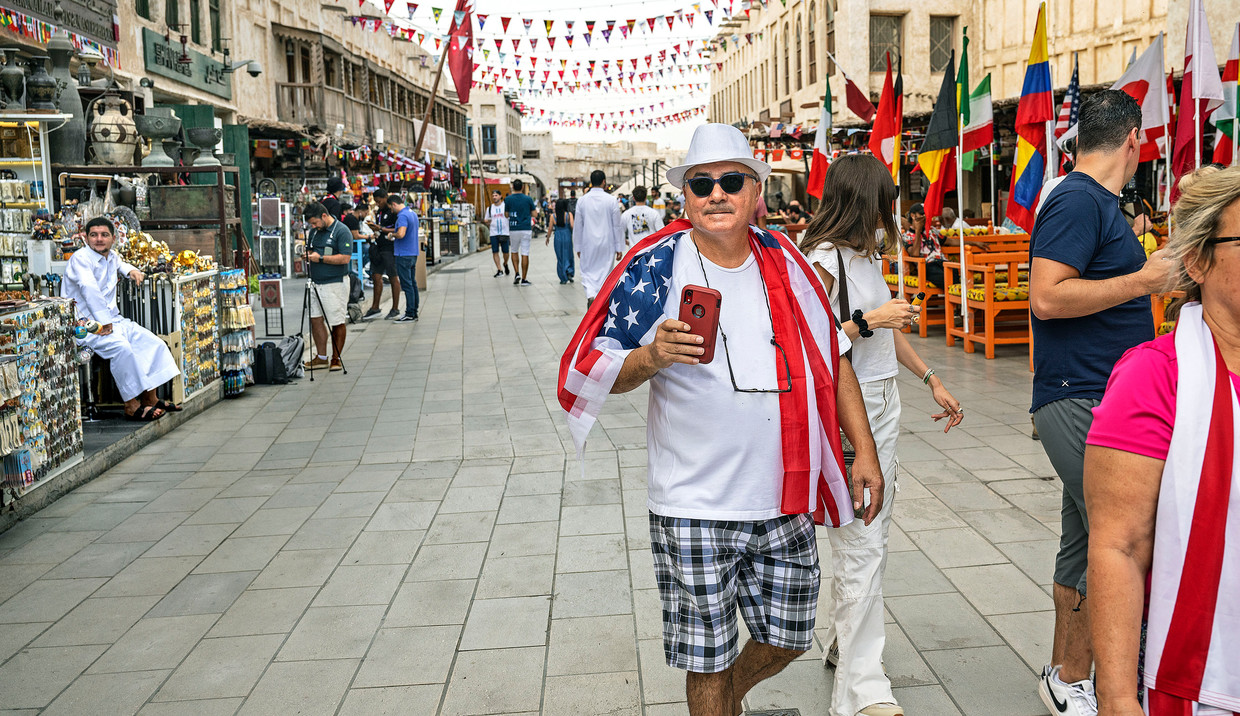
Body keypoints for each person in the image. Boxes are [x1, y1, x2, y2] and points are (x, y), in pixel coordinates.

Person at [557, 123, 883, 716]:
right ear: (685, 195)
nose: (716, 193)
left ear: (755, 189)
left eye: (731, 180)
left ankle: (726, 698)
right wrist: (652, 355)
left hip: (780, 495)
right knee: (703, 657)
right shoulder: (655, 266)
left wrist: (864, 450)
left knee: (788, 635)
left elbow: (832, 357)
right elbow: (597, 365)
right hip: (692, 502)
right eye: (701, 183)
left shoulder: (787, 261)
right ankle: (716, 697)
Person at [1028, 90, 1177, 716]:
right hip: (1081, 396)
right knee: (1124, 539)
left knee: (1083, 542)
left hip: (1097, 396)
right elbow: (1046, 297)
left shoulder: (1097, 201)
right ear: (1132, 140)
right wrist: (1144, 280)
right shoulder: (1077, 198)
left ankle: (1067, 676)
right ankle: (1110, 680)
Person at [799, 155, 964, 716]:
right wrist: (872, 320)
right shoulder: (822, 259)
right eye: (885, 201)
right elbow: (809, 343)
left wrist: (930, 378)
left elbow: (886, 337)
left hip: (884, 399)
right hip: (854, 409)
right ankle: (863, 687)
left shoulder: (863, 256)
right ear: (862, 200)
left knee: (870, 533)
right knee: (862, 536)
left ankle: (844, 641)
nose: (889, 213)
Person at [1086, 167, 1240, 716]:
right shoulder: (1157, 377)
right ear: (1198, 260)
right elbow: (1119, 548)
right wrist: (1119, 699)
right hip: (1202, 679)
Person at [63, 217, 181, 420]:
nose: (99, 239)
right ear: (86, 238)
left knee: (153, 343)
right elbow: (89, 289)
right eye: (94, 235)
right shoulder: (80, 258)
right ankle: (131, 404)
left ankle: (150, 398)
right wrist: (103, 322)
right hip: (87, 325)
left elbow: (119, 262)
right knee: (122, 349)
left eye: (104, 235)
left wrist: (131, 270)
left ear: (113, 238)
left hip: (114, 321)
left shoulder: (111, 256)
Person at [303, 202, 354, 371]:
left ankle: (336, 357)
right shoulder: (314, 233)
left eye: (315, 222)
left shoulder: (342, 231)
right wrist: (308, 256)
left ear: (324, 216)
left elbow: (345, 258)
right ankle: (321, 357)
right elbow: (313, 252)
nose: (313, 226)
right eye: (311, 224)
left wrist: (321, 259)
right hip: (315, 282)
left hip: (335, 283)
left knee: (336, 320)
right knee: (315, 319)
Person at [572, 170, 625, 307]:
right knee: (605, 271)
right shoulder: (611, 200)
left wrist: (577, 246)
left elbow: (578, 226)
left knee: (588, 271)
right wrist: (619, 247)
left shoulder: (582, 201)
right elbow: (617, 226)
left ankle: (591, 294)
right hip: (607, 243)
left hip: (588, 243)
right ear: (604, 182)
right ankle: (602, 299)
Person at [362, 189, 401, 320]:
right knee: (375, 276)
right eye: (376, 202)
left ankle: (395, 308)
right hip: (378, 247)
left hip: (390, 248)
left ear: (385, 198)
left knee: (393, 277)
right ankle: (375, 307)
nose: (378, 204)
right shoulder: (379, 212)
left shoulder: (393, 211)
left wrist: (381, 229)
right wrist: (375, 227)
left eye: (379, 201)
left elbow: (398, 229)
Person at [388, 193, 420, 323]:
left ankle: (410, 313)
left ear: (394, 204)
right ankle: (414, 311)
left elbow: (401, 234)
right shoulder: (412, 213)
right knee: (412, 284)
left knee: (407, 285)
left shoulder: (402, 216)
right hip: (413, 253)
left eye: (391, 208)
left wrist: (392, 235)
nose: (391, 210)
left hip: (403, 254)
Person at [902, 203, 946, 288]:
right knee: (941, 275)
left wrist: (975, 243)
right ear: (913, 216)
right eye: (922, 214)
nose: (925, 216)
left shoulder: (932, 230)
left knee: (954, 271)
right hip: (926, 265)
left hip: (942, 262)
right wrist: (918, 230)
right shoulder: (907, 236)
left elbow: (949, 241)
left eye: (926, 214)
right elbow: (915, 254)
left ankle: (956, 296)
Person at [505, 179, 538, 286]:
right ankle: (524, 279)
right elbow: (534, 214)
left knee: (514, 250)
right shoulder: (528, 199)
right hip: (525, 228)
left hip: (514, 228)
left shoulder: (508, 199)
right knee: (525, 252)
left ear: (513, 187)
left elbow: (506, 215)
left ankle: (517, 273)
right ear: (522, 187)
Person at [485, 190, 512, 278]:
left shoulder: (505, 206)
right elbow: (486, 219)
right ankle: (499, 269)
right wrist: (487, 221)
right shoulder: (489, 208)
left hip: (504, 232)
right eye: (493, 196)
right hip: (494, 232)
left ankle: (505, 263)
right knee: (495, 251)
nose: (494, 197)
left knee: (506, 252)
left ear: (500, 196)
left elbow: (510, 217)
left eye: (496, 195)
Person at [552, 192, 575, 284]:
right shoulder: (569, 215)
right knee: (568, 254)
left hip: (557, 236)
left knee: (560, 256)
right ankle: (569, 271)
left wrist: (547, 238)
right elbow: (572, 226)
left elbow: (550, 229)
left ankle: (562, 277)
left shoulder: (553, 216)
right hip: (567, 235)